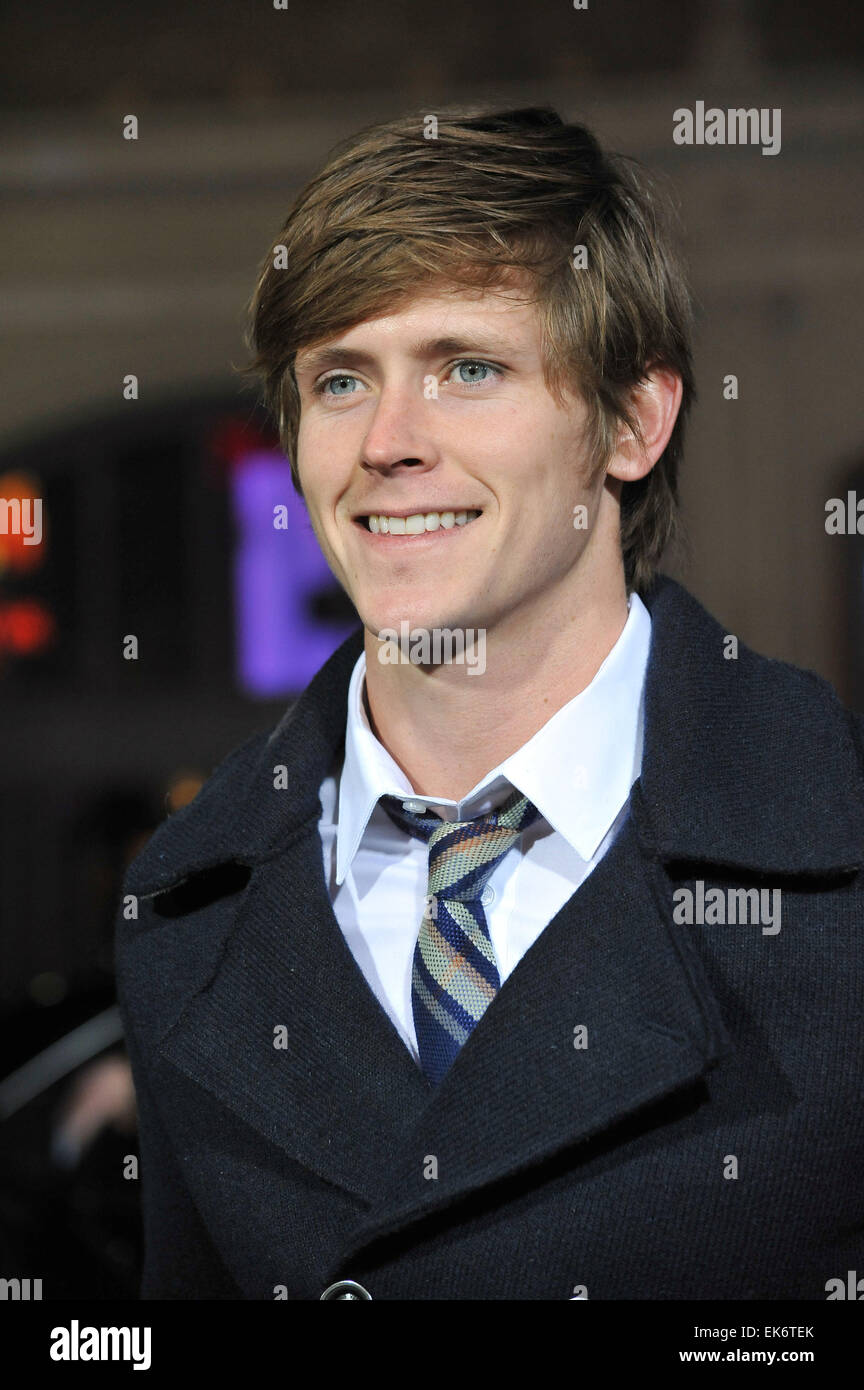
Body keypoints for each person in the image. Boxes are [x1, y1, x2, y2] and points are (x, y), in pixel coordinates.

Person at [115, 105, 864, 1301]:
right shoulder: (188, 907)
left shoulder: (832, 849)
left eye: (470, 368)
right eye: (342, 379)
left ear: (633, 421)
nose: (389, 442)